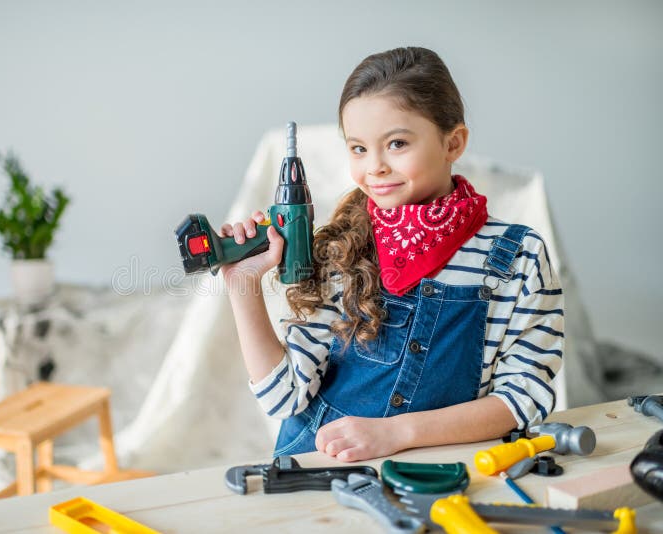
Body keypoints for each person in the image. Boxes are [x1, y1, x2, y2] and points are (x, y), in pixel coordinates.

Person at [220, 47, 564, 462]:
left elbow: (523, 399)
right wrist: (242, 283)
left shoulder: (518, 258)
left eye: (396, 143)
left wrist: (397, 433)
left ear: (453, 142)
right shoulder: (341, 250)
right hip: (319, 466)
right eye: (358, 149)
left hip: (445, 470)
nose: (375, 167)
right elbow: (284, 398)